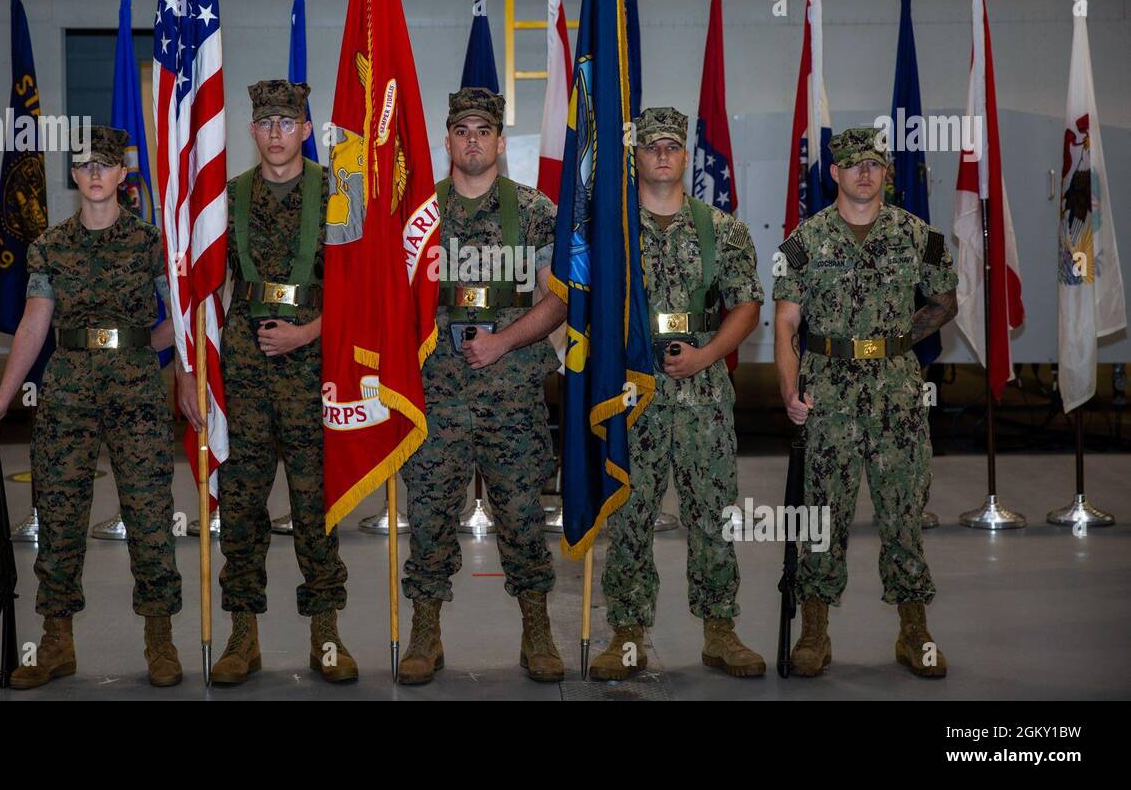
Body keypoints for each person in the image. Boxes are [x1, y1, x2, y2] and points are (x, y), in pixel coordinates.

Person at [0, 124, 182, 689]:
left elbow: (181, 318)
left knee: (148, 515)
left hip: (137, 389)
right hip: (67, 390)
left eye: (105, 165)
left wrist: (156, 352)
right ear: (74, 174)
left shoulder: (149, 242)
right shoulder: (50, 245)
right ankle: (57, 640)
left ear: (122, 175)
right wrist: (3, 396)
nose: (95, 174)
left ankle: (160, 639)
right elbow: (34, 323)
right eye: (85, 165)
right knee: (61, 516)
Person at [177, 79, 355, 685]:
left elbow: (360, 290)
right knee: (245, 509)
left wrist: (308, 335)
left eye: (289, 122)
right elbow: (198, 293)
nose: (277, 133)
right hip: (245, 378)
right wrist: (190, 370)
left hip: (313, 369)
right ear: (251, 132)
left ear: (307, 130)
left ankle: (326, 636)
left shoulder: (336, 197)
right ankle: (242, 636)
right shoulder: (226, 201)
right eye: (266, 123)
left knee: (315, 510)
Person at [772, 125, 958, 678]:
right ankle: (814, 631)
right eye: (853, 164)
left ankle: (914, 631)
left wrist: (899, 340)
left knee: (904, 514)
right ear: (834, 172)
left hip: (897, 393)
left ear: (885, 172)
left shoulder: (919, 235)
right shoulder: (802, 243)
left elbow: (946, 301)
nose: (863, 173)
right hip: (827, 390)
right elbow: (784, 325)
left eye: (874, 164)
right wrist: (788, 389)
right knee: (823, 516)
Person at [397, 87, 568, 685]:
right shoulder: (419, 216)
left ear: (500, 142)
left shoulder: (534, 210)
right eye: (462, 130)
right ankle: (425, 633)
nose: (473, 139)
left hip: (512, 394)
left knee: (523, 515)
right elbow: (391, 303)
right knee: (430, 516)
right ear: (447, 141)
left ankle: (537, 630)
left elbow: (560, 299)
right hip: (436, 396)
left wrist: (503, 341)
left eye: (483, 130)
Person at [590, 107, 766, 681]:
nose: (662, 155)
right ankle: (627, 634)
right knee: (631, 515)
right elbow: (586, 305)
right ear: (635, 157)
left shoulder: (723, 230)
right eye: (650, 147)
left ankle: (720, 631)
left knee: (712, 513)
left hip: (703, 393)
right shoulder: (611, 231)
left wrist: (707, 355)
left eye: (672, 146)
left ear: (685, 156)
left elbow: (746, 306)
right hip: (631, 393)